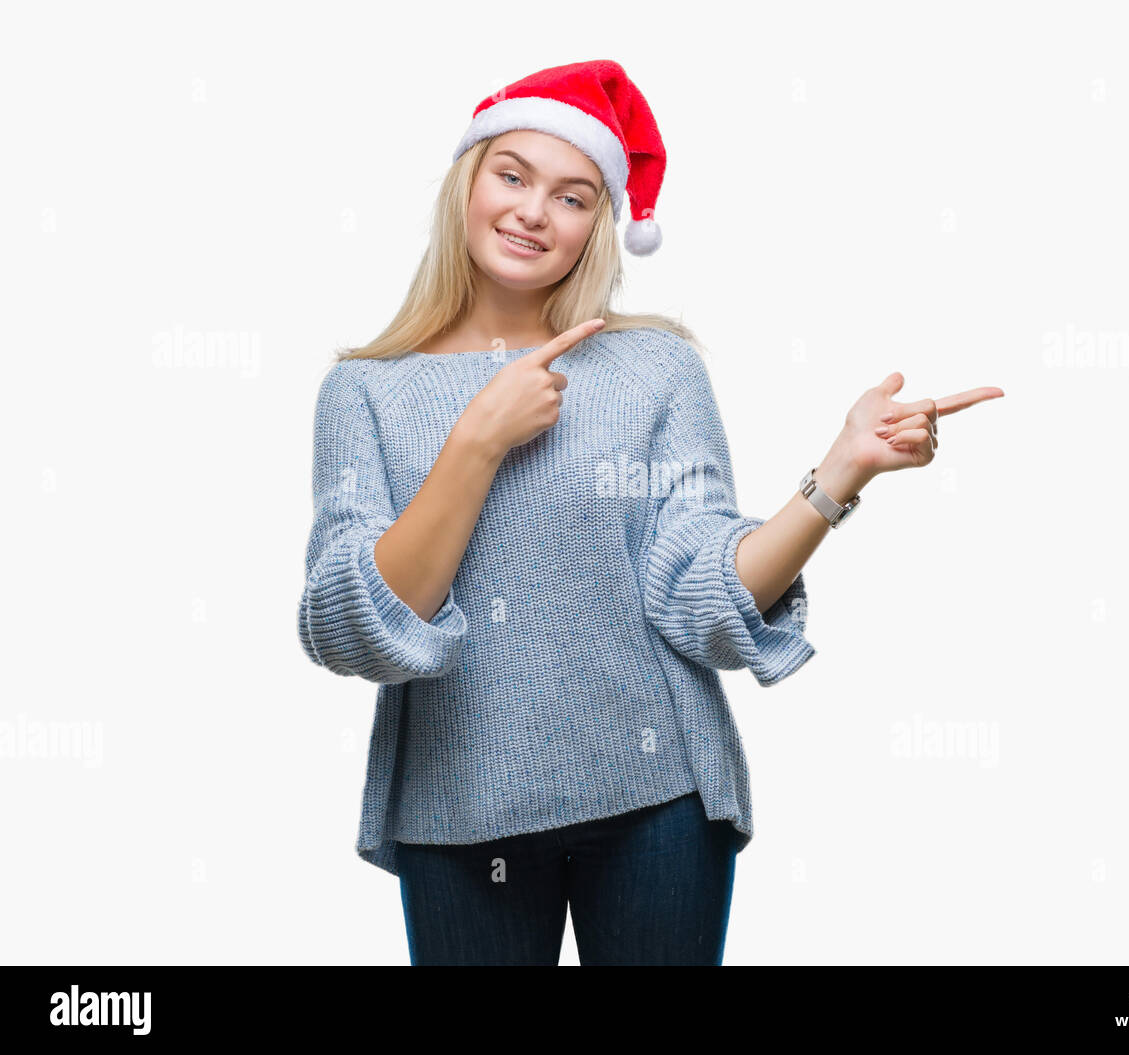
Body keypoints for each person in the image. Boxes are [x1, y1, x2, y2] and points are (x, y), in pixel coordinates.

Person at [296, 59, 1003, 966]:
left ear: (601, 224)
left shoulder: (656, 370)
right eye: (511, 175)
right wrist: (477, 439)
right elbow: (352, 631)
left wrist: (838, 475)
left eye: (573, 195)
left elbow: (698, 596)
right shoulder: (365, 391)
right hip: (459, 804)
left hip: (656, 802)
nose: (532, 212)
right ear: (466, 182)